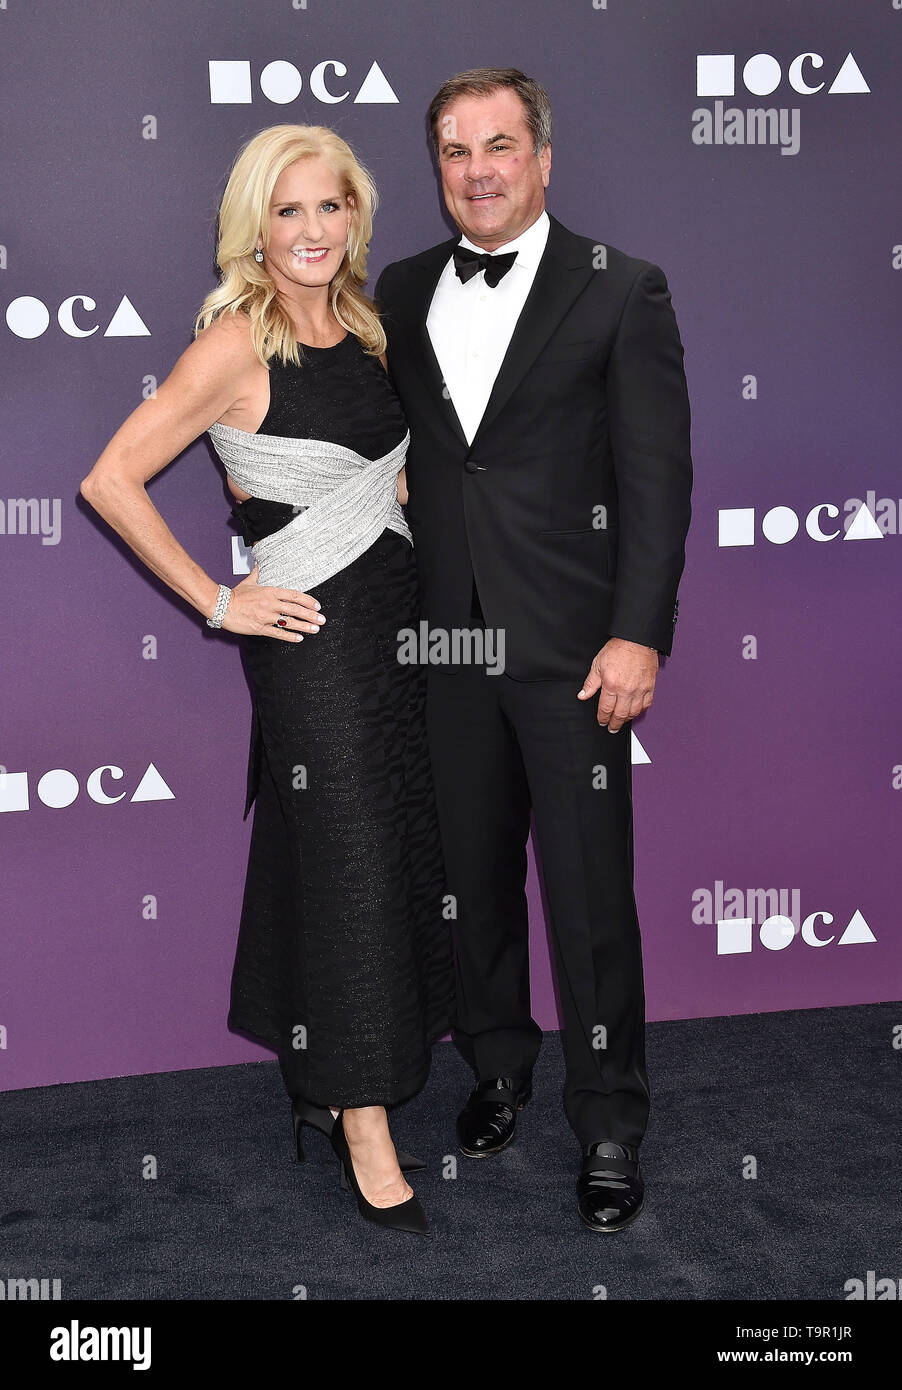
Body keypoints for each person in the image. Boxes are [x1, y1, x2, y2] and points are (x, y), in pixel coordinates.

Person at [80, 123, 454, 1236]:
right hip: (312, 641)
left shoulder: (369, 327)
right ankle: (360, 1112)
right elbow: (111, 478)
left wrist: (390, 503)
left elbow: (384, 473)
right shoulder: (235, 343)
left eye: (328, 208)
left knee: (388, 856)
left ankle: (339, 1073)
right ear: (255, 224)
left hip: (399, 624)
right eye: (286, 211)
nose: (310, 231)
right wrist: (214, 597)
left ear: (356, 218)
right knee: (348, 866)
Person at [374, 69, 692, 1232]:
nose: (478, 170)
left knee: (589, 893)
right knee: (469, 880)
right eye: (455, 152)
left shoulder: (620, 290)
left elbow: (657, 483)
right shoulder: (401, 290)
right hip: (445, 636)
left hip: (574, 649)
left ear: (542, 157)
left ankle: (608, 1120)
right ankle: (497, 1063)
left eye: (499, 144)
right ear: (438, 170)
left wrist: (637, 633)